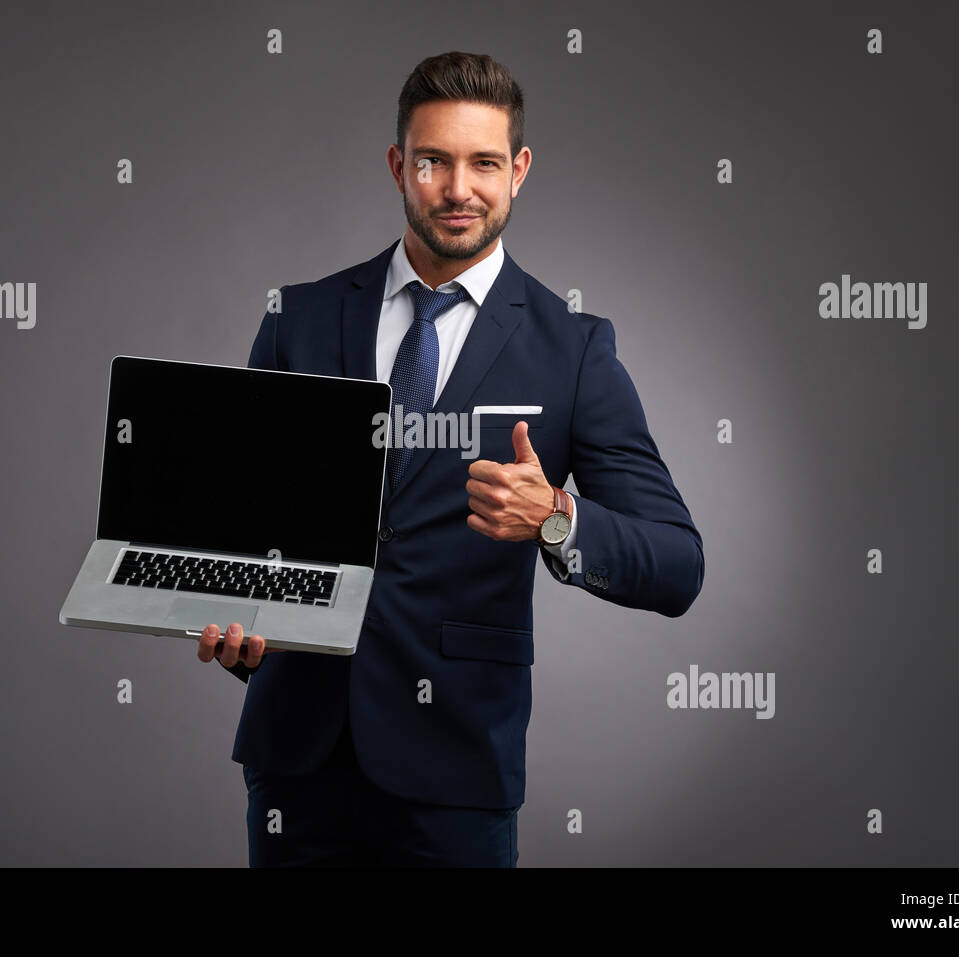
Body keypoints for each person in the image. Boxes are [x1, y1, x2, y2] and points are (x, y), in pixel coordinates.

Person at [197, 51, 704, 866]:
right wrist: (241, 624)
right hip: (297, 763)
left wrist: (557, 520)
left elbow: (679, 565)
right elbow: (245, 529)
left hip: (458, 776)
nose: (458, 188)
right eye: (434, 161)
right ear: (400, 165)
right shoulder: (298, 318)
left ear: (520, 171)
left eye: (484, 163)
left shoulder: (572, 350)